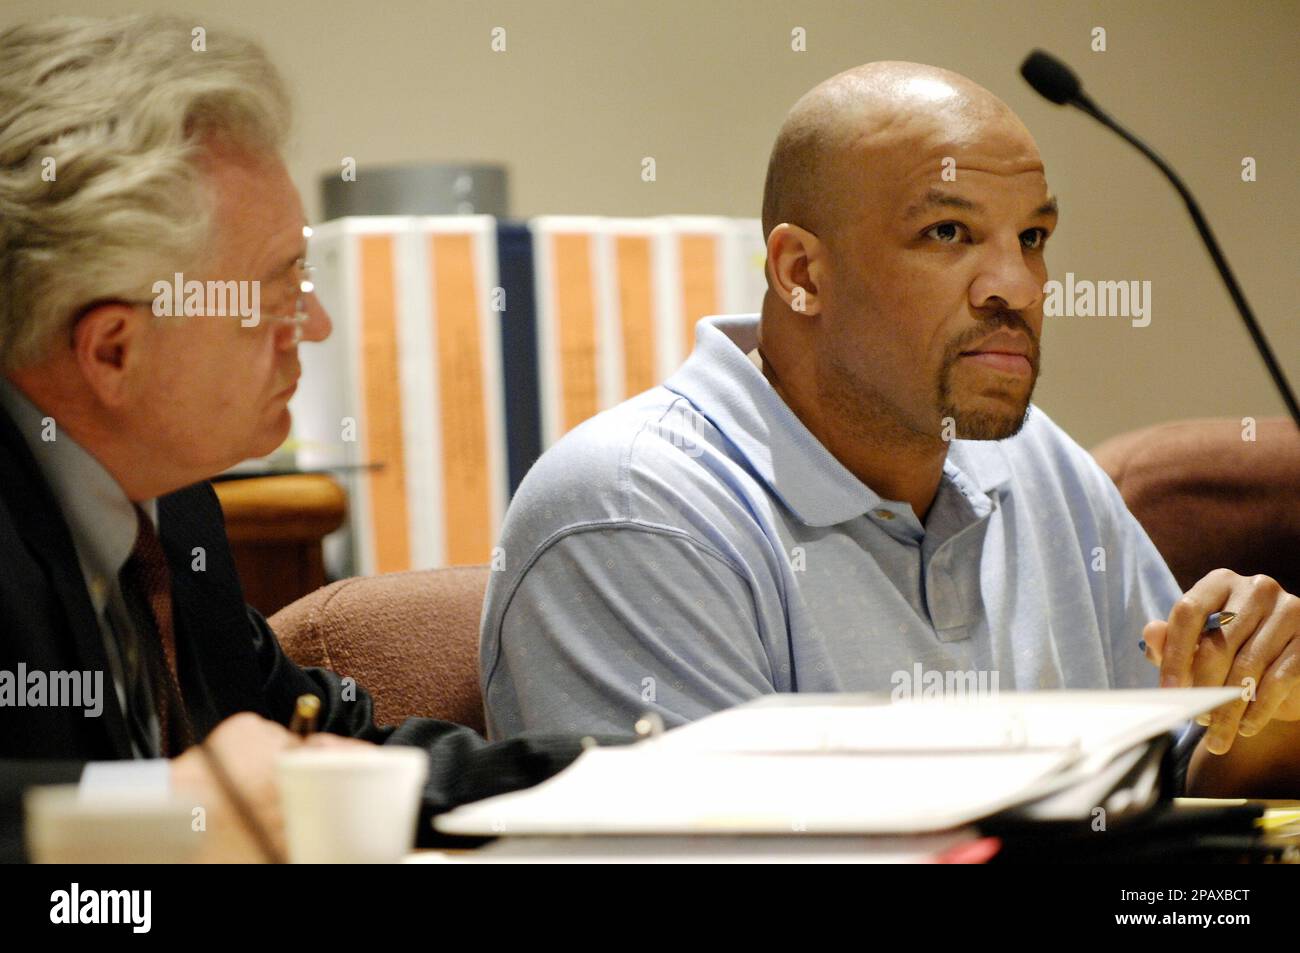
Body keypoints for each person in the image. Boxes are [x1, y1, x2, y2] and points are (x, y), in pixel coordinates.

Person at [481, 61, 1300, 797]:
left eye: (1034, 238)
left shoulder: (1036, 461)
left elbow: (1184, 775)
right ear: (802, 272)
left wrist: (1274, 706)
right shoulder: (634, 509)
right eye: (948, 233)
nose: (1016, 286)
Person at [0, 14, 588, 863]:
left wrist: (633, 775)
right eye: (279, 292)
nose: (314, 324)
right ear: (112, 350)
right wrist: (150, 815)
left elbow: (308, 752)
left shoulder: (169, 504)